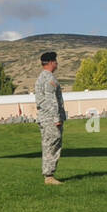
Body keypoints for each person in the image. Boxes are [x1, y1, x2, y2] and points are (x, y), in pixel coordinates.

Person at [35, 51, 67, 184]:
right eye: (55, 61)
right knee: (53, 145)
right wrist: (56, 118)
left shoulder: (41, 77)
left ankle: (48, 174)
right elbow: (51, 100)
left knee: (48, 145)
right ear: (51, 63)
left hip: (44, 117)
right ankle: (49, 175)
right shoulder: (49, 79)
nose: (57, 63)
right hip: (50, 118)